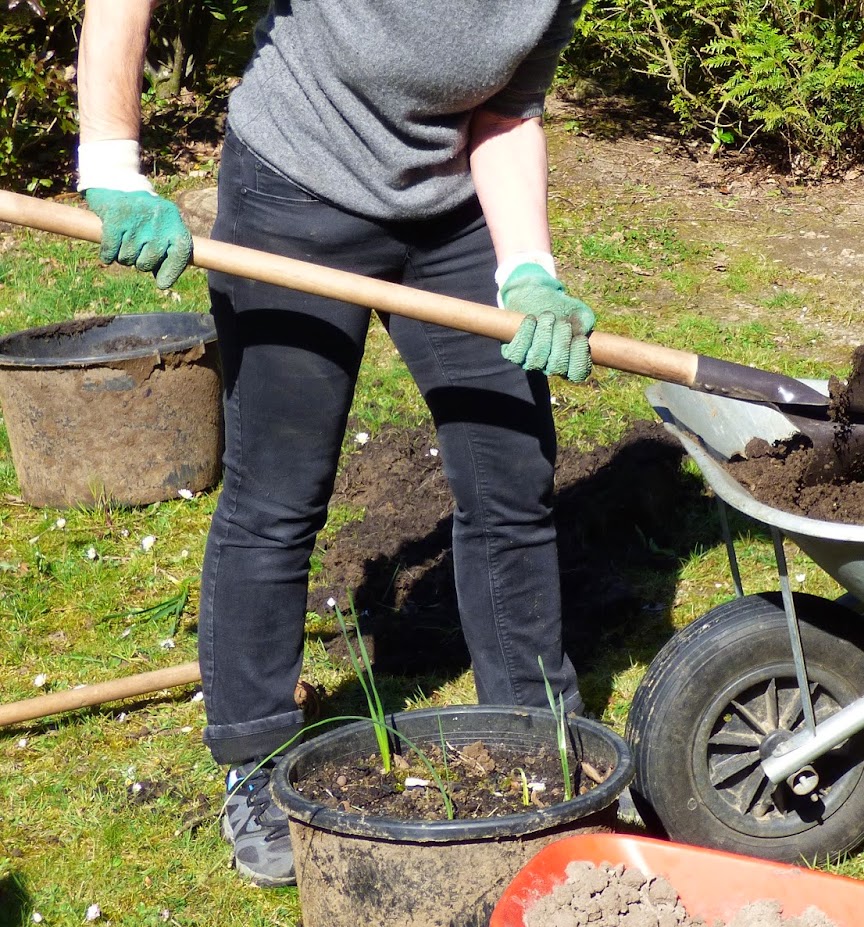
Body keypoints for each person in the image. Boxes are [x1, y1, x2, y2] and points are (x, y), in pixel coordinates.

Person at [76, 0, 594, 887]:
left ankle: (532, 728)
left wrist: (527, 269)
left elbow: (506, 111)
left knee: (510, 468)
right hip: (297, 182)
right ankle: (257, 760)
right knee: (278, 490)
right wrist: (114, 166)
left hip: (453, 201)